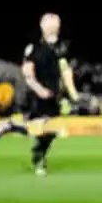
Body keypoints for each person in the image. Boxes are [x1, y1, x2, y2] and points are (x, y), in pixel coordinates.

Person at [20, 13, 79, 176]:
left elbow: (66, 71)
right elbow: (27, 73)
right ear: (42, 27)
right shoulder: (34, 48)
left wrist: (72, 93)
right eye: (50, 24)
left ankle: (39, 152)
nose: (54, 27)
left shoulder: (63, 48)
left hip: (54, 95)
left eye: (56, 24)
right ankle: (39, 158)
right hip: (37, 95)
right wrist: (39, 90)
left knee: (52, 131)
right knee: (44, 127)